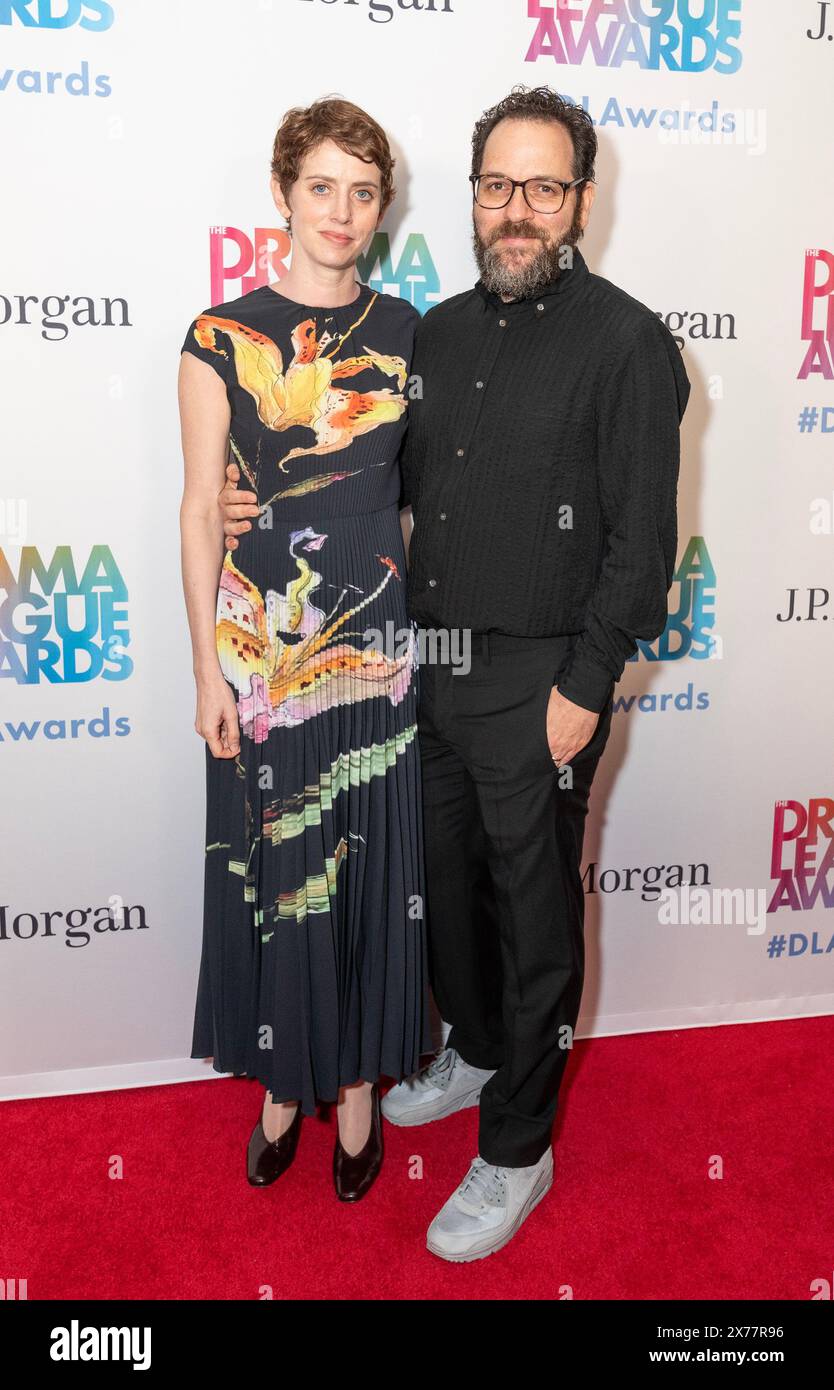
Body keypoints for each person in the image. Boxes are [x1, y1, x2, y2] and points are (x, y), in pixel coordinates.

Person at [217, 85, 691, 1260]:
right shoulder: (434, 332)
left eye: (543, 187)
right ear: (474, 197)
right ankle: (471, 1049)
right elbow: (369, 477)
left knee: (535, 920)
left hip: (544, 682)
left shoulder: (629, 342)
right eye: (497, 186)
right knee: (440, 894)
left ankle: (518, 1147)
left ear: (582, 197)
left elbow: (645, 546)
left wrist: (585, 685)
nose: (517, 210)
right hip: (420, 669)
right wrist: (250, 496)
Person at [178, 97, 432, 1204]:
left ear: (382, 208)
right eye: (321, 186)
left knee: (372, 861)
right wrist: (204, 673)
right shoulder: (218, 336)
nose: (340, 210)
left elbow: (436, 495)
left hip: (375, 640)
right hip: (263, 646)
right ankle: (286, 1083)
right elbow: (198, 510)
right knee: (286, 865)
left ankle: (365, 1086)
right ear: (282, 194)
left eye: (362, 190)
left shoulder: (416, 333)